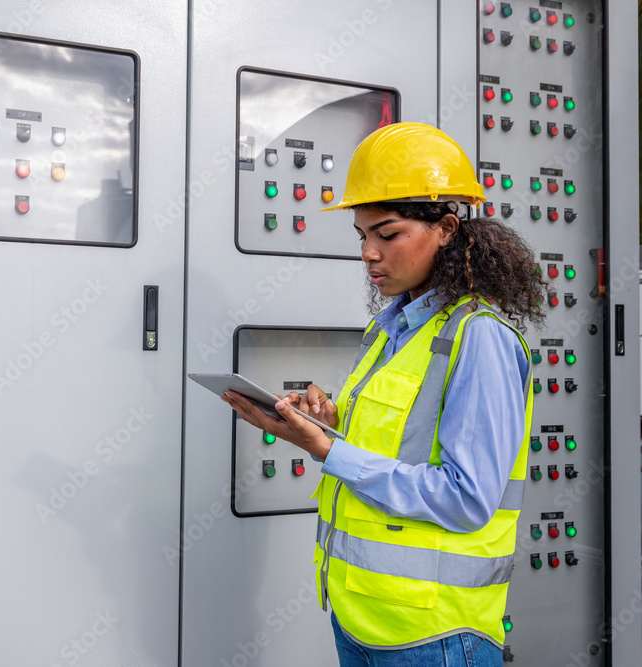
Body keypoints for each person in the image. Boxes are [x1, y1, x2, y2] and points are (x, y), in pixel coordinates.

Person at [222, 122, 547, 666]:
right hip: (362, 620)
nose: (369, 253)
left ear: (446, 228)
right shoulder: (392, 330)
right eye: (362, 236)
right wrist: (323, 422)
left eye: (388, 234)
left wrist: (329, 451)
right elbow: (394, 444)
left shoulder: (480, 338)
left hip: (436, 636)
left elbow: (466, 498)